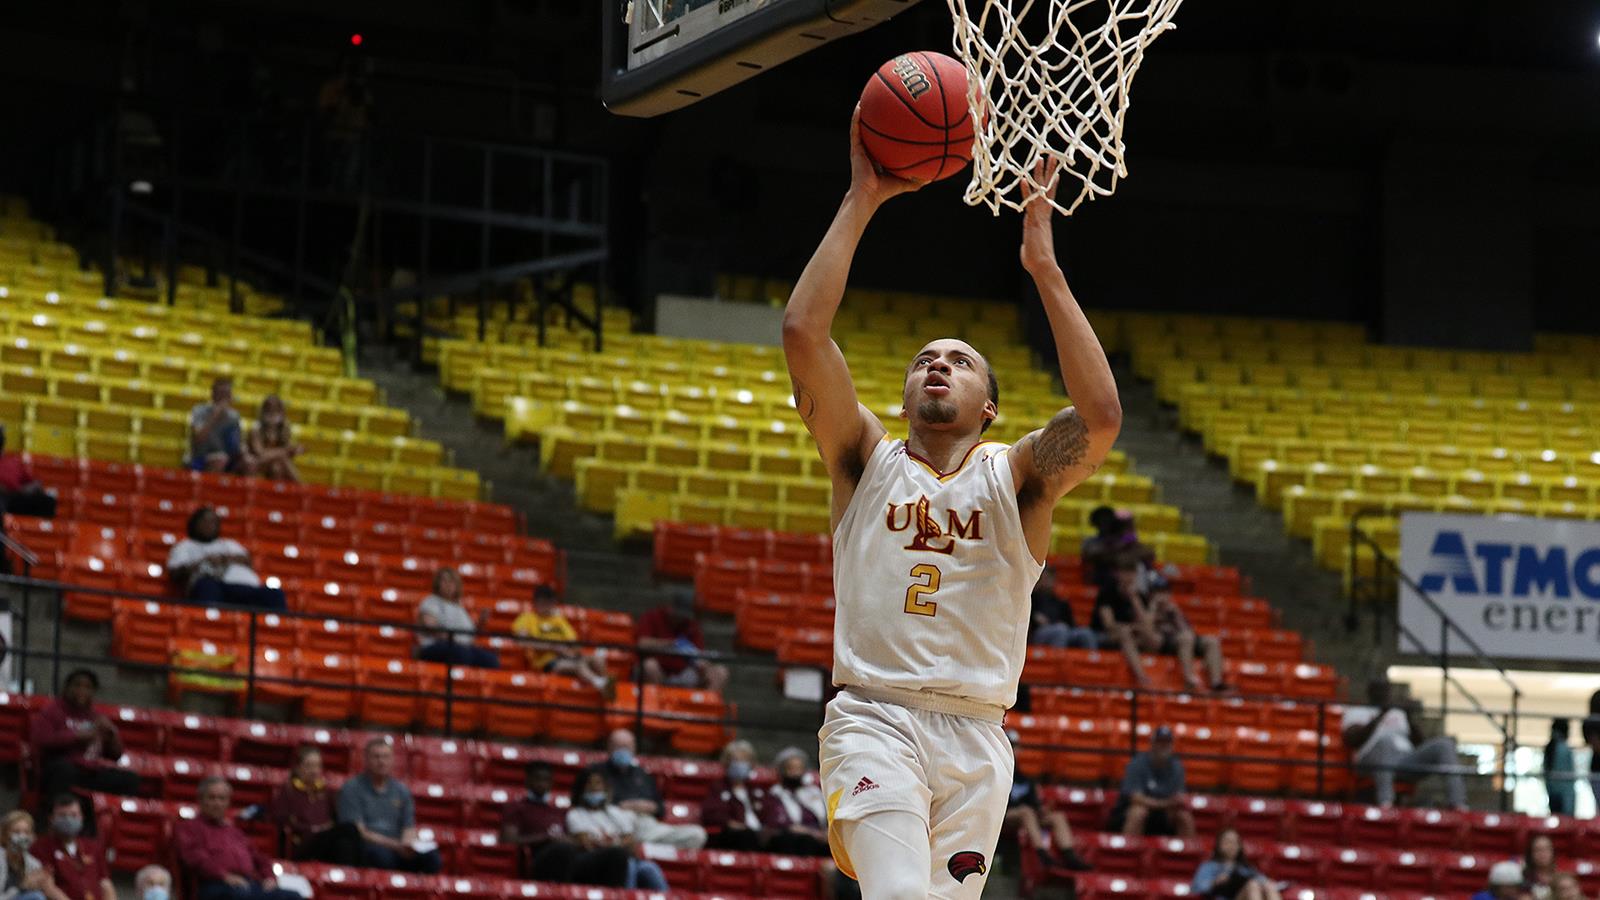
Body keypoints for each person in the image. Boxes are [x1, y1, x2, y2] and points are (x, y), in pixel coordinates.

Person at [786, 117, 1121, 899]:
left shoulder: (1020, 479)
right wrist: (863, 195)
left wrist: (1045, 268)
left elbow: (1101, 418)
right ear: (904, 392)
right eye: (924, 359)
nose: (938, 363)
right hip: (875, 717)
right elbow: (804, 330)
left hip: (978, 737)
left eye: (960, 360)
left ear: (991, 407)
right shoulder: (863, 457)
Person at [29, 670, 140, 831]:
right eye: (78, 685)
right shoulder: (52, 711)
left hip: (89, 771)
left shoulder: (96, 717)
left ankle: (116, 829)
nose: (82, 690)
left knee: (130, 780)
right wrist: (78, 736)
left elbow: (116, 755)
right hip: (59, 767)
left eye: (87, 687)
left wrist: (112, 735)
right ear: (67, 688)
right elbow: (42, 739)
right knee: (63, 770)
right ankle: (55, 823)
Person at [1341, 677, 1467, 809]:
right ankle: (1386, 803)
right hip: (1371, 761)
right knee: (1385, 742)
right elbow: (1351, 740)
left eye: (1385, 690)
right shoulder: (1356, 712)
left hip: (1403, 761)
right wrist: (1381, 714)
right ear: (1370, 691)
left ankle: (1458, 804)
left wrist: (1409, 717)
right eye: (1378, 689)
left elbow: (1420, 743)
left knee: (1444, 744)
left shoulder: (1398, 713)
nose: (1382, 693)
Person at [174, 777, 300, 900]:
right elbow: (194, 859)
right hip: (214, 884)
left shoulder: (235, 832)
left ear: (228, 802)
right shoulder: (188, 828)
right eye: (212, 798)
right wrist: (224, 875)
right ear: (200, 800)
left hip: (248, 884)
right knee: (240, 894)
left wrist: (269, 877)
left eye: (222, 799)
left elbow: (259, 858)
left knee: (293, 896)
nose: (217, 803)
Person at [583, 730, 706, 850]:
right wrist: (625, 805)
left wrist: (651, 807)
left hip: (647, 825)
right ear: (609, 747)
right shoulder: (596, 772)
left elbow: (660, 808)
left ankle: (649, 850)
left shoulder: (642, 774)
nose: (622, 751)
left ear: (634, 749)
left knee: (697, 834)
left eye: (626, 747)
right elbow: (587, 802)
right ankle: (644, 850)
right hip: (616, 823)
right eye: (618, 746)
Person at [336, 738, 441, 874]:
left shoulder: (402, 790)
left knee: (432, 858)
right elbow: (359, 831)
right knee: (380, 856)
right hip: (370, 846)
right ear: (366, 760)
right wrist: (396, 846)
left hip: (397, 846)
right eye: (376, 757)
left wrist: (407, 845)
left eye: (386, 757)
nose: (381, 762)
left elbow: (408, 827)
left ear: (392, 760)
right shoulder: (351, 789)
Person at [502, 761, 606, 883]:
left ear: (551, 783)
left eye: (546, 780)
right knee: (563, 850)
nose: (541, 784)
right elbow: (508, 840)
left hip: (569, 856)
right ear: (527, 781)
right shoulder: (517, 807)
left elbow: (571, 838)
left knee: (614, 855)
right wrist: (547, 838)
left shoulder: (559, 811)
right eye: (537, 779)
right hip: (538, 858)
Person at [564, 772, 670, 891]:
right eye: (589, 783)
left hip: (625, 858)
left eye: (598, 783)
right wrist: (617, 844)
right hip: (596, 863)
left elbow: (631, 842)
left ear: (606, 788)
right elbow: (586, 844)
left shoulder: (616, 812)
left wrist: (610, 844)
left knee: (650, 868)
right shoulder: (575, 814)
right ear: (581, 789)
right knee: (627, 866)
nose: (594, 787)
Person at [166, 508, 287, 611]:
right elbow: (175, 573)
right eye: (205, 521)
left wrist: (224, 559)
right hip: (214, 587)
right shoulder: (185, 545)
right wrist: (204, 561)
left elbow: (247, 560)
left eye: (213, 522)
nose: (210, 525)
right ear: (195, 524)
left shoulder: (229, 544)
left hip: (245, 588)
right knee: (207, 588)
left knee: (274, 594)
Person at [1004, 731, 1090, 871]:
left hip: (1028, 816)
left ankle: (1070, 855)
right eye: (1011, 746)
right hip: (1005, 816)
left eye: (1016, 746)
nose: (1014, 750)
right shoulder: (1000, 772)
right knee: (1026, 812)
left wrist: (1041, 809)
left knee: (1057, 817)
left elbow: (1034, 802)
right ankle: (1042, 853)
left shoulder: (1024, 778)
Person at [267, 746, 361, 866]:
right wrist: (311, 829)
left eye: (317, 766)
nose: (314, 770)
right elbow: (280, 820)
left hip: (325, 843)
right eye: (309, 766)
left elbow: (336, 820)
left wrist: (326, 828)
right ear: (298, 767)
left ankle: (350, 878)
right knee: (349, 829)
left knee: (345, 842)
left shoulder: (327, 791)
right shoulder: (288, 791)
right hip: (303, 844)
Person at [512, 585, 612, 695]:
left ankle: (608, 691)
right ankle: (601, 684)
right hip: (546, 663)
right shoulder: (526, 618)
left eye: (548, 602)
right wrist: (552, 647)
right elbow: (523, 641)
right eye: (541, 602)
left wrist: (568, 651)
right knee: (578, 665)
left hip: (567, 656)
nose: (545, 606)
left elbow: (574, 642)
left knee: (598, 659)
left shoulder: (559, 620)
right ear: (535, 602)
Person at [1108, 726, 1196, 838]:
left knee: (1184, 816)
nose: (1163, 745)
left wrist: (1174, 802)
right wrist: (1165, 803)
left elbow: (1179, 797)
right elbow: (1136, 798)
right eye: (1160, 741)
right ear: (1152, 743)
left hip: (1165, 813)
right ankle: (1129, 851)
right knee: (1139, 812)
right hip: (1133, 811)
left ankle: (1187, 853)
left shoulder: (1177, 766)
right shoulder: (1137, 763)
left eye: (1167, 742)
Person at [636, 589, 728, 692]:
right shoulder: (652, 617)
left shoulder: (690, 624)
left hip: (685, 674)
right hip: (660, 671)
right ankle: (653, 704)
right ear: (670, 607)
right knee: (650, 666)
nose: (680, 618)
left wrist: (703, 664)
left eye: (684, 615)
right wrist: (671, 644)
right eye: (678, 614)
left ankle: (705, 705)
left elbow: (699, 655)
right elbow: (642, 644)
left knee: (720, 672)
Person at [0, 423, 57, 574]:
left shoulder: (13, 461)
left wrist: (21, 490)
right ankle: (5, 561)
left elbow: (35, 484)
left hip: (16, 498)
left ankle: (44, 538)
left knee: (48, 501)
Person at [30, 796, 113, 900]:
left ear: (81, 817)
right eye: (62, 815)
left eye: (74, 815)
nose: (68, 819)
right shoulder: (40, 847)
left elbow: (105, 883)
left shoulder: (92, 846)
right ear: (51, 818)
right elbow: (47, 887)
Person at [415, 568, 499, 668]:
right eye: (444, 580)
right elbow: (431, 627)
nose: (448, 584)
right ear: (438, 583)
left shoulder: (459, 607)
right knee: (462, 653)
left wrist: (481, 622)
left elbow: (470, 633)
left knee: (491, 660)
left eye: (452, 581)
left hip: (461, 647)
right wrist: (454, 639)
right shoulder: (431, 601)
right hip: (435, 646)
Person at [762, 747, 830, 857]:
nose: (795, 773)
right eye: (791, 768)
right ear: (782, 770)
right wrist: (813, 833)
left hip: (820, 835)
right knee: (803, 840)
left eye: (799, 768)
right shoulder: (775, 793)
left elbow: (827, 816)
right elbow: (782, 824)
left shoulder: (814, 791)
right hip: (795, 839)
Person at [701, 740, 766, 852]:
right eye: (736, 760)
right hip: (733, 835)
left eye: (744, 760)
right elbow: (709, 813)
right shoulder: (718, 787)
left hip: (758, 833)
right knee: (746, 835)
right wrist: (729, 823)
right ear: (727, 762)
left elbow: (769, 814)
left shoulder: (756, 790)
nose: (740, 764)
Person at [1190, 828, 1281, 900]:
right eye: (1227, 842)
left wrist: (1268, 882)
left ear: (1239, 847)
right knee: (1252, 886)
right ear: (1218, 845)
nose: (1231, 845)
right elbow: (1196, 888)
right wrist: (1214, 882)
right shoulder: (1208, 866)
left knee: (1269, 886)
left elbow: (1263, 880)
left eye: (1234, 842)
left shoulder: (1246, 868)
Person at [2, 811, 66, 900]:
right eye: (16, 832)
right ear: (4, 834)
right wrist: (22, 887)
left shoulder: (33, 863)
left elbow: (50, 890)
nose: (22, 836)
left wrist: (46, 881)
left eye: (26, 832)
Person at [1029, 565, 1096, 650]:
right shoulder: (1033, 598)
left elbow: (1071, 624)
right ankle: (1058, 661)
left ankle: (1089, 662)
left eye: (1050, 578)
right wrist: (1036, 617)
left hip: (1063, 630)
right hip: (1040, 633)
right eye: (1045, 578)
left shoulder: (1061, 601)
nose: (1047, 581)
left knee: (1086, 633)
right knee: (1060, 630)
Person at [189, 378, 244, 473]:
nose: (224, 398)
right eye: (221, 394)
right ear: (213, 394)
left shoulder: (234, 416)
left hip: (228, 457)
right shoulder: (198, 411)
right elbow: (198, 438)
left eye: (227, 394)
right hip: (202, 456)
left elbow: (236, 445)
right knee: (220, 459)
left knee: (249, 462)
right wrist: (215, 415)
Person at [243, 396, 302, 483]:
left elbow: (288, 451)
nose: (272, 414)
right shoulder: (256, 429)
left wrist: (294, 450)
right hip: (255, 462)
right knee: (282, 458)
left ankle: (278, 493)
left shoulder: (284, 429)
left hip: (273, 462)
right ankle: (301, 487)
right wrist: (284, 451)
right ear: (263, 412)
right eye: (269, 410)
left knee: (277, 467)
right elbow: (260, 453)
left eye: (276, 410)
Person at [1546, 719, 1576, 817]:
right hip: (1564, 797)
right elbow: (1568, 780)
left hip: (1553, 794)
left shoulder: (1550, 748)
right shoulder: (1564, 749)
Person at [1525, 834, 1561, 900]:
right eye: (1537, 850)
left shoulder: (1562, 877)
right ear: (1531, 854)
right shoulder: (1524, 878)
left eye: (1546, 849)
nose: (1542, 853)